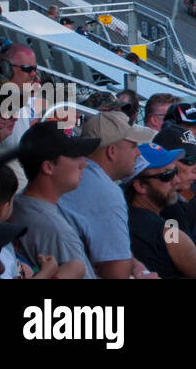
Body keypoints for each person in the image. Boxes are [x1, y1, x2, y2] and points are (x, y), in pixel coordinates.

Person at [58, 111, 155, 278]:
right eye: (133, 146)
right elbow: (117, 274)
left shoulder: (76, 174)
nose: (139, 153)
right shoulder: (105, 190)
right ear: (111, 151)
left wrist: (135, 265)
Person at [10, 121, 101, 278]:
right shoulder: (56, 231)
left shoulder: (16, 204)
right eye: (75, 156)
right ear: (48, 167)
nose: (84, 163)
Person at [126, 142, 196, 278]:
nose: (176, 180)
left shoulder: (116, 219)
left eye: (175, 171)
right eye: (167, 175)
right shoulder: (171, 236)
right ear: (141, 186)